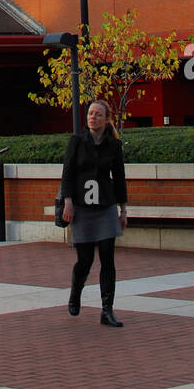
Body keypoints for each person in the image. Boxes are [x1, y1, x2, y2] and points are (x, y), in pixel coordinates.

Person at [60, 98, 128, 327]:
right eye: (90, 113)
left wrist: (123, 209)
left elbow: (119, 177)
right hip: (81, 206)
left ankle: (107, 310)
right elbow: (67, 173)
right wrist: (68, 202)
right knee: (85, 260)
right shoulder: (77, 141)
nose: (93, 117)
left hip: (105, 206)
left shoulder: (113, 145)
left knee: (108, 257)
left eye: (98, 114)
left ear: (106, 119)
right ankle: (75, 293)